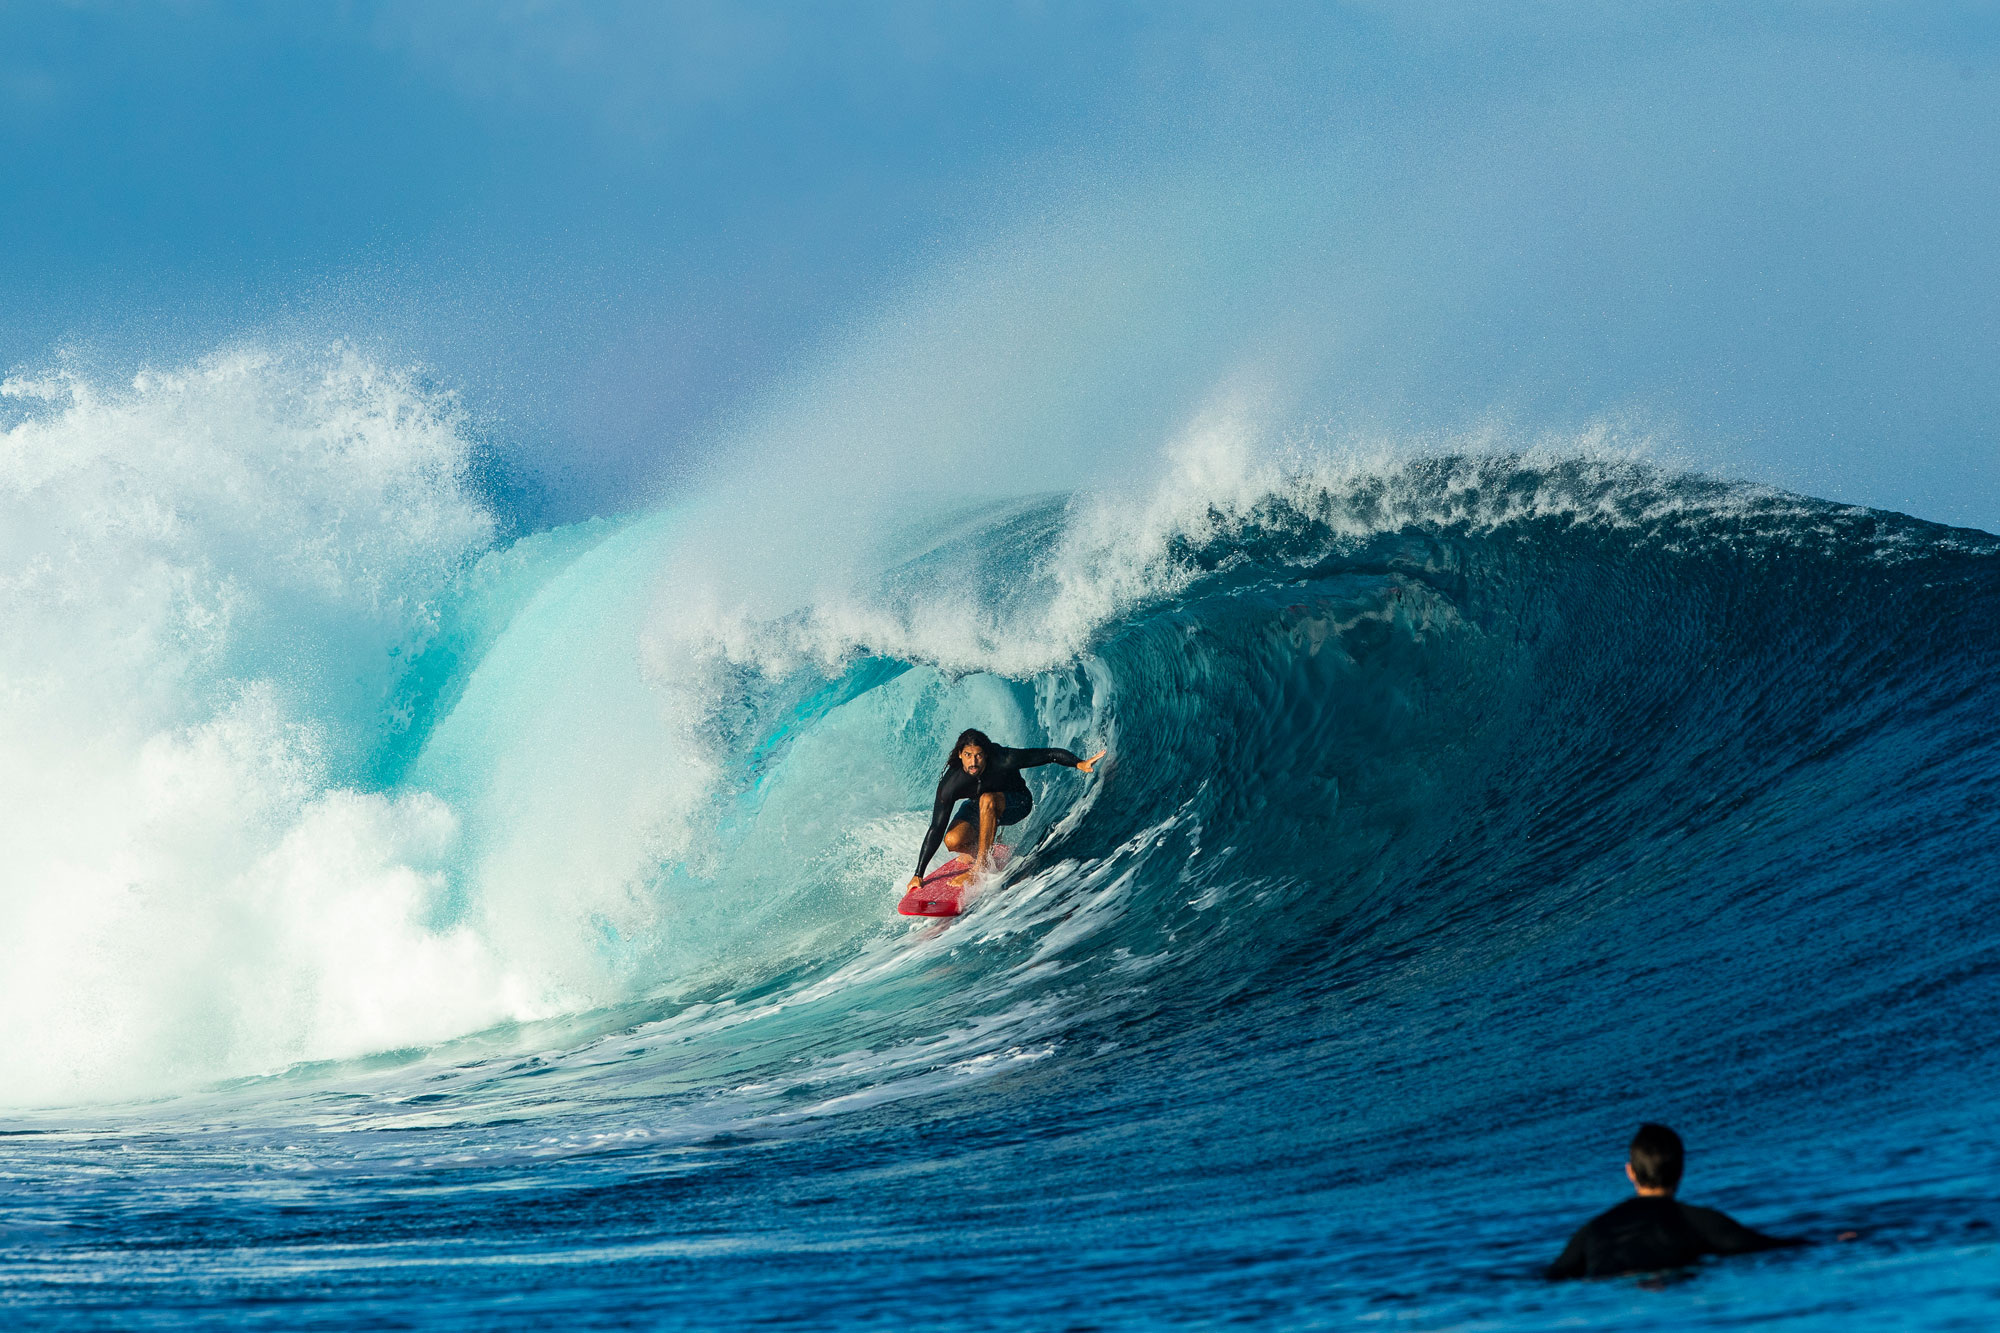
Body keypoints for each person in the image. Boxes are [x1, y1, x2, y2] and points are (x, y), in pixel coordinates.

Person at [1545, 1123, 1806, 1279]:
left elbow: (1554, 1275)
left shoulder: (1595, 1228)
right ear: (1681, 1171)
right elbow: (1764, 1247)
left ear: (1630, 1172)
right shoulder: (1697, 1220)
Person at [906, 728, 1105, 893]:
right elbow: (936, 827)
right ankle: (982, 847)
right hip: (979, 806)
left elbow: (1048, 755)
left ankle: (981, 866)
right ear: (960, 755)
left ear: (986, 754)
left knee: (987, 799)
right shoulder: (951, 783)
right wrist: (918, 874)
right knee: (952, 840)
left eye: (978, 756)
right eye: (968, 756)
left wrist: (1079, 762)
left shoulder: (1003, 758)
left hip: (1016, 802)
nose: (973, 762)